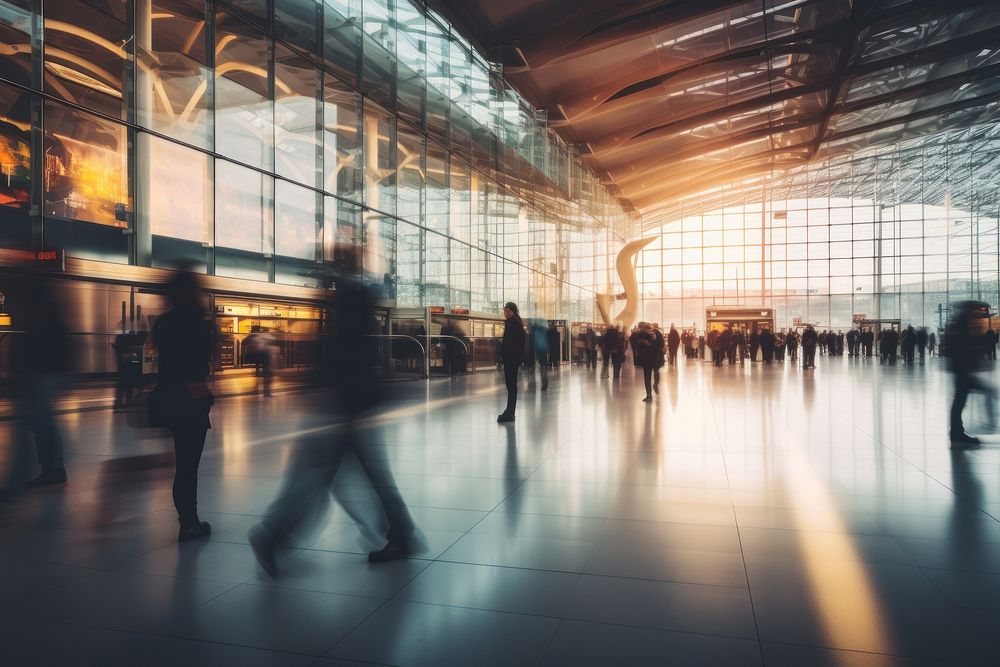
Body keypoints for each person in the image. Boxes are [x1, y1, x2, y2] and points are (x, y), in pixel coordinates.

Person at [249, 268, 421, 575]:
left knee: (319, 479)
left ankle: (274, 535)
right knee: (360, 480)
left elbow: (333, 370)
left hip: (340, 416)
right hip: (350, 417)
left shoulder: (341, 329)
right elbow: (357, 374)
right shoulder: (358, 330)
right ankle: (274, 535)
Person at [152, 269, 215, 541]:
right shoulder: (202, 324)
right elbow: (201, 364)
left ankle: (186, 518)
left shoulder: (162, 323)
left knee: (181, 464)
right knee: (189, 466)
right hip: (192, 399)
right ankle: (189, 522)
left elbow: (165, 359)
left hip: (167, 397)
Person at [0, 277, 69, 494]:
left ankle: (15, 485)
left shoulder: (35, 307)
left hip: (42, 371)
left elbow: (36, 341)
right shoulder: (42, 304)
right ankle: (52, 468)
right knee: (39, 422)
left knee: (31, 425)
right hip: (44, 371)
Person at [945, 301, 997, 447]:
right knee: (961, 400)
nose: (976, 313)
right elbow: (962, 345)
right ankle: (958, 431)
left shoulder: (959, 321)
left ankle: (957, 431)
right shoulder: (962, 322)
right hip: (962, 369)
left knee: (960, 400)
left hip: (961, 368)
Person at [498, 302, 525, 423]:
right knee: (511, 385)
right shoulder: (518, 323)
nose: (506, 313)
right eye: (505, 311)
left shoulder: (511, 323)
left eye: (508, 311)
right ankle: (509, 411)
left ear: (513, 311)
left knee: (511, 385)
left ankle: (509, 413)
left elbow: (508, 342)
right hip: (514, 358)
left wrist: (503, 354)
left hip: (510, 358)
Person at [244, 325, 277, 395]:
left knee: (261, 372)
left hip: (258, 356)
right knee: (266, 372)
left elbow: (245, 341)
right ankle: (266, 391)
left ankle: (259, 388)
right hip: (263, 356)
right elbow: (273, 339)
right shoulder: (263, 336)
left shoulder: (254, 336)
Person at [632, 322, 658, 402]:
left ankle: (649, 395)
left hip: (646, 359)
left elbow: (633, 339)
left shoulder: (640, 334)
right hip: (653, 358)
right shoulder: (653, 334)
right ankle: (651, 391)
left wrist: (642, 340)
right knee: (651, 375)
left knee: (647, 377)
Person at [530, 320, 549, 391]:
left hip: (540, 352)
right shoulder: (543, 330)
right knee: (544, 367)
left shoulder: (535, 332)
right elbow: (546, 341)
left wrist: (536, 355)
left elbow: (535, 344)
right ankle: (545, 381)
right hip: (544, 351)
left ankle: (544, 383)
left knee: (542, 367)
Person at [651, 323, 665, 392]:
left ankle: (655, 384)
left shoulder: (653, 333)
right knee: (656, 370)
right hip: (659, 355)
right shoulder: (660, 334)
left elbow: (654, 344)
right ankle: (656, 383)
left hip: (655, 354)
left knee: (655, 369)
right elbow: (662, 344)